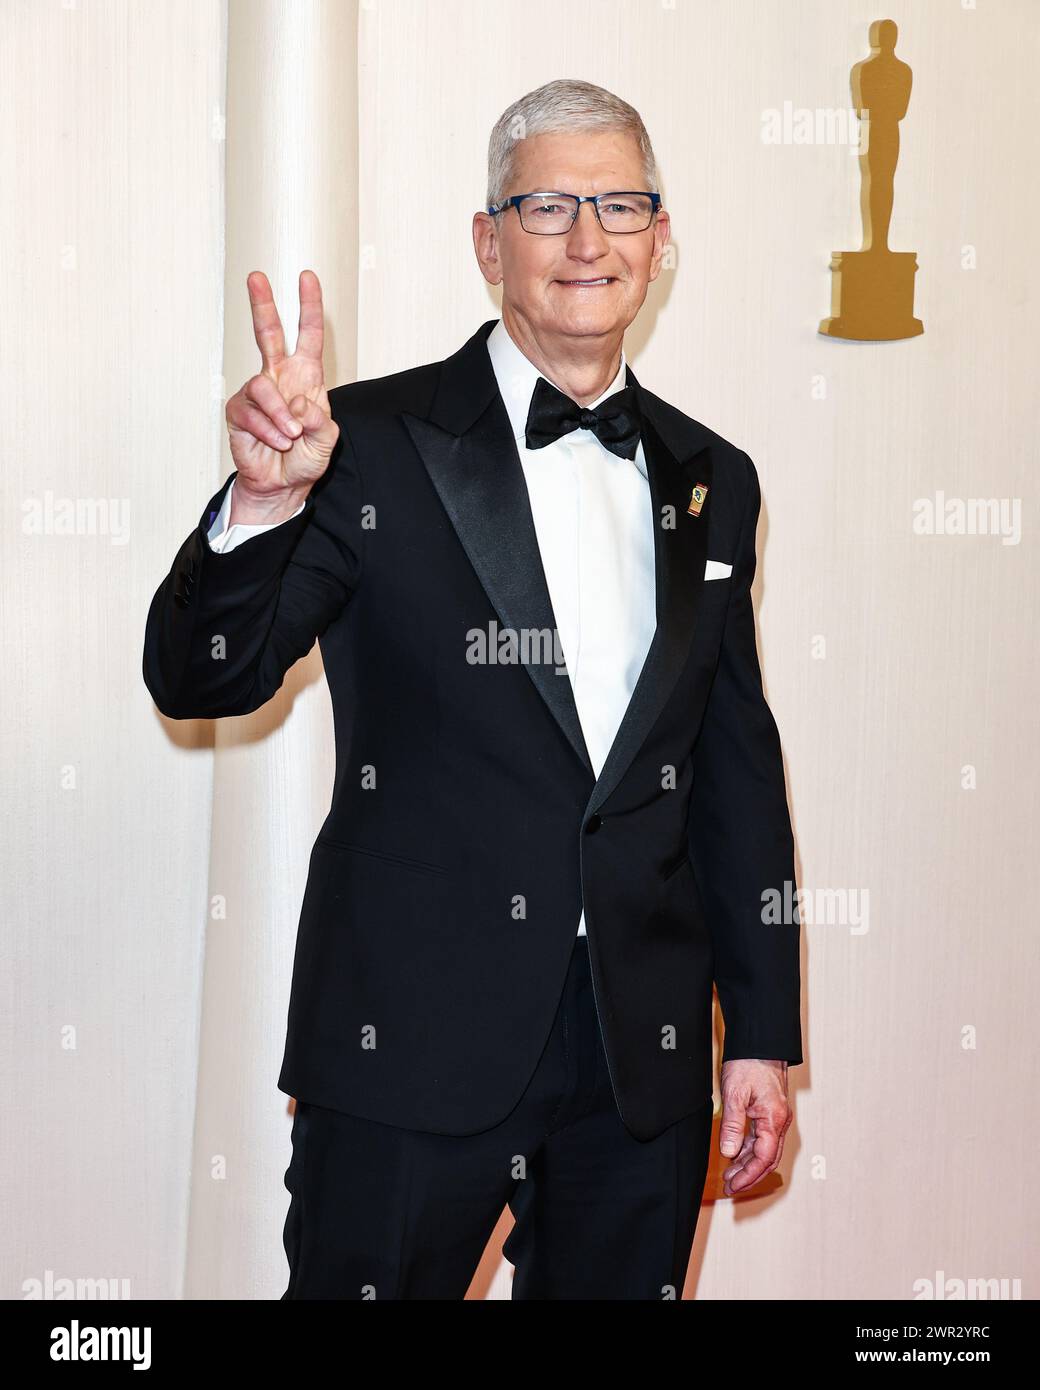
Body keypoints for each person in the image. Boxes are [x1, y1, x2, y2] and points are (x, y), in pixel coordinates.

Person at [143, 77, 802, 1301]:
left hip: (638, 1064)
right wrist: (263, 506)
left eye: (619, 205)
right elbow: (203, 676)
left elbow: (729, 766)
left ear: (661, 242)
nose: (586, 240)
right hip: (406, 1042)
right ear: (486, 240)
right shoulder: (360, 445)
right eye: (547, 205)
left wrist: (759, 1029)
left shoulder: (718, 477)